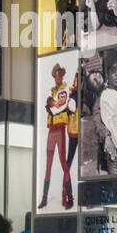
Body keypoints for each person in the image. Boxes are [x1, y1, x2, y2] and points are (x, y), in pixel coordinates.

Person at [39, 63, 76, 209]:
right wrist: (50, 102)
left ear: (62, 74)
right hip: (51, 129)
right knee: (48, 164)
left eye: (59, 74)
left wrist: (51, 104)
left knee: (63, 163)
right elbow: (50, 105)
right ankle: (44, 198)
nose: (57, 77)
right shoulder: (54, 90)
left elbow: (58, 107)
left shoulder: (64, 89)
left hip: (60, 129)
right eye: (55, 75)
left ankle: (70, 197)